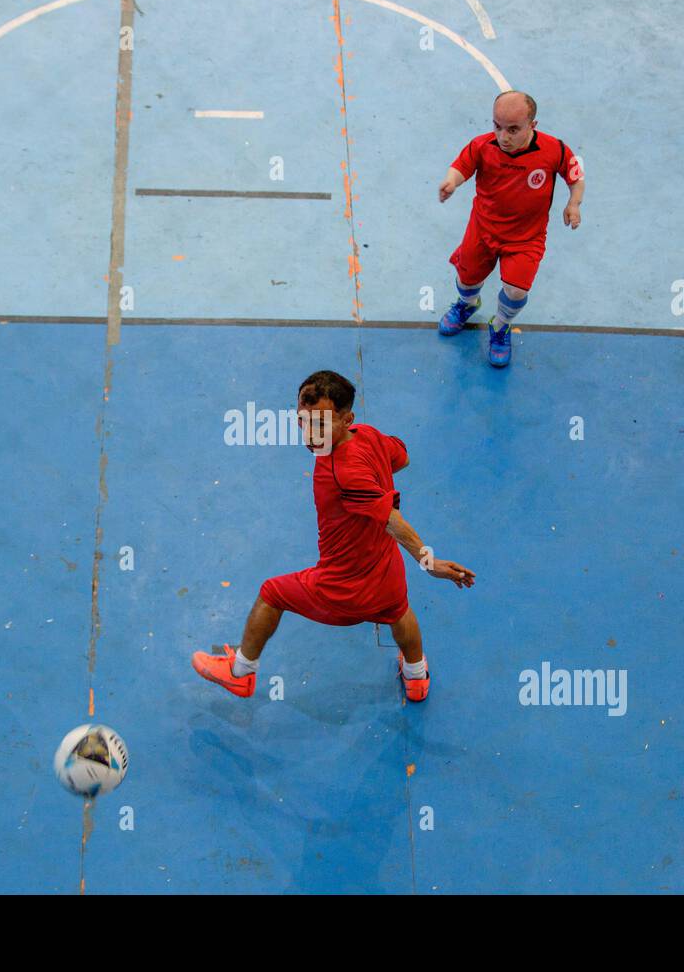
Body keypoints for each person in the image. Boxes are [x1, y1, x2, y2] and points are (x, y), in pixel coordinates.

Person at [191, 370, 475, 703]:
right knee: (400, 613)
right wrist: (373, 487)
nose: (310, 435)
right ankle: (416, 678)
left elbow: (391, 519)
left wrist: (431, 563)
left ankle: (240, 673)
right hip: (385, 567)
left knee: (271, 594)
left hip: (341, 586)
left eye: (321, 425)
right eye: (303, 421)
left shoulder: (341, 471)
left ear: (345, 419)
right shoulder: (367, 435)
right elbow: (403, 457)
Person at [437, 90, 584, 367]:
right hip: (483, 229)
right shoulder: (482, 145)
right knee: (467, 280)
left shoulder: (555, 150)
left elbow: (576, 178)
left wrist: (574, 204)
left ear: (533, 126)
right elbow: (460, 167)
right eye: (497, 126)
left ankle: (501, 325)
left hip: (526, 238)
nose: (503, 136)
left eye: (513, 129)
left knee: (516, 291)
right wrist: (451, 182)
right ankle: (468, 305)